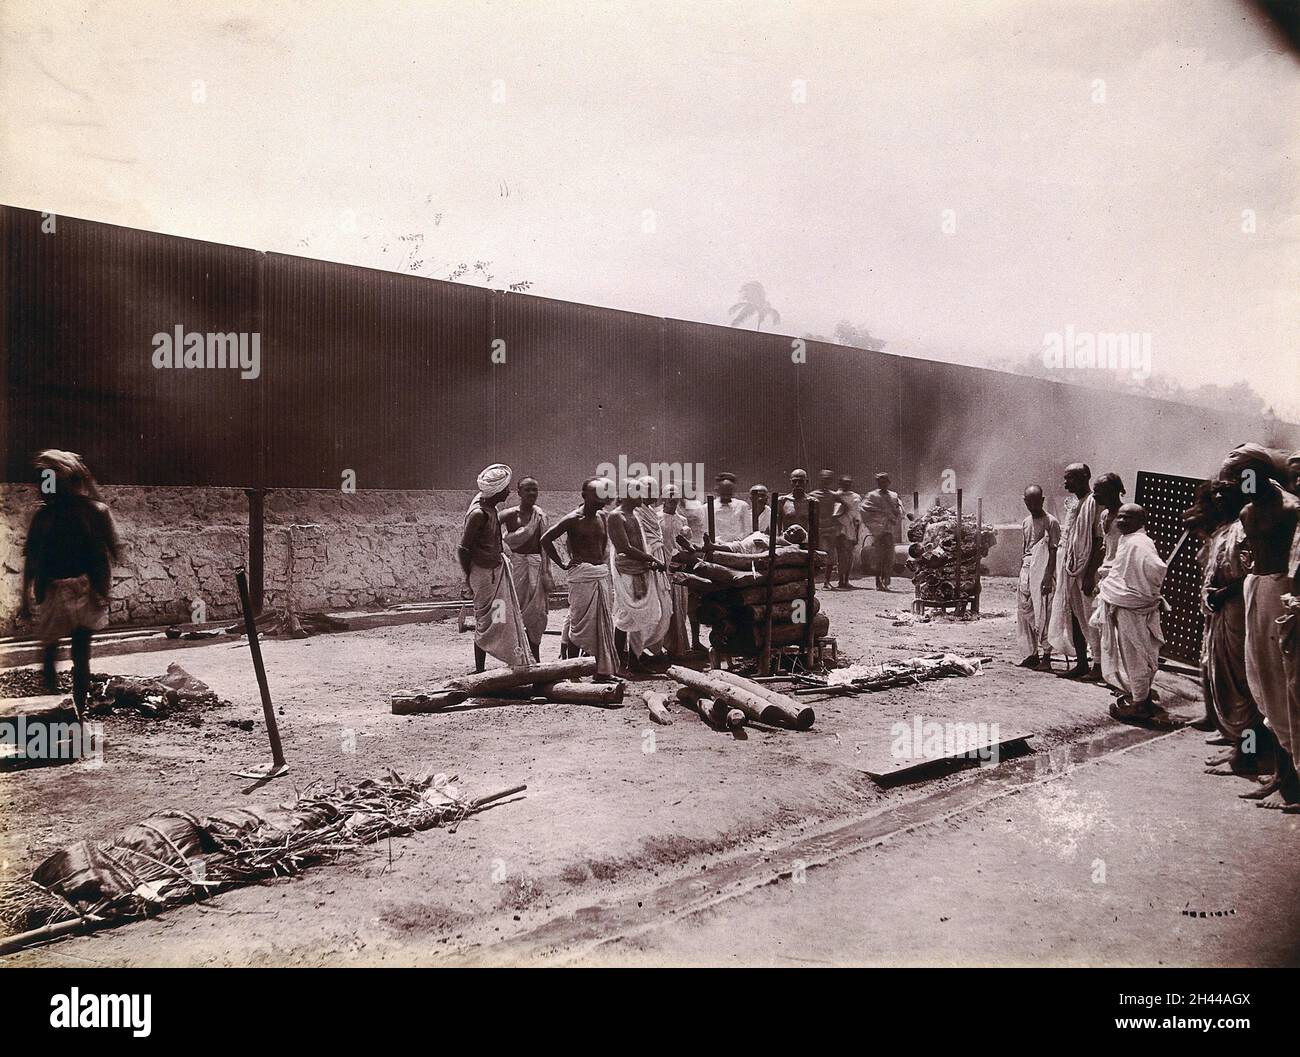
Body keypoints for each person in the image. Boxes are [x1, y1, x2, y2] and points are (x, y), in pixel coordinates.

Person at [21, 450, 120, 717]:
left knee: (78, 653)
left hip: (84, 590)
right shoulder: (45, 517)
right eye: (44, 481)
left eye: (51, 481)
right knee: (52, 650)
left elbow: (110, 551)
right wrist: (25, 596)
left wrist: (102, 590)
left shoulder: (94, 512)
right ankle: (54, 704)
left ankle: (77, 707)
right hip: (53, 589)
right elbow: (32, 559)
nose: (46, 488)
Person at [1231, 444, 1300, 809]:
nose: (1234, 483)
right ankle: (1278, 775)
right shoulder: (1245, 512)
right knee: (1260, 683)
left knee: (1282, 686)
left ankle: (1292, 783)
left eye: (1240, 475)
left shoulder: (1291, 510)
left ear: (1258, 473)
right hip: (1256, 592)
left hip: (1282, 595)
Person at [1194, 479, 1266, 774]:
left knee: (1244, 687)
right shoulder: (1224, 528)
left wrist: (1223, 594)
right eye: (1216, 493)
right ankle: (1238, 746)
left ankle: (1246, 756)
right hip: (1221, 610)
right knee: (1224, 678)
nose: (1220, 497)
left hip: (1237, 609)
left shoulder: (1245, 526)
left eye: (1227, 491)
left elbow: (1251, 573)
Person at [1090, 504, 1169, 723]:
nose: (1122, 521)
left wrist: (1142, 591)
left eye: (1128, 518)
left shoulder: (1139, 542)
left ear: (1141, 521)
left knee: (1137, 655)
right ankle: (1139, 698)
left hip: (1133, 606)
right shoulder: (1128, 540)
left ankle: (1140, 706)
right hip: (1125, 604)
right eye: (1121, 517)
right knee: (1133, 655)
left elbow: (1157, 569)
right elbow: (1121, 568)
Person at [541, 478, 619, 679]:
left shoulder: (603, 516)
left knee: (603, 623)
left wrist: (600, 565)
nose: (601, 498)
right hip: (581, 576)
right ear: (584, 495)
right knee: (579, 623)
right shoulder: (573, 519)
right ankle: (571, 672)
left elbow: (602, 545)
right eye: (596, 494)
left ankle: (602, 671)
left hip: (599, 574)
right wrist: (563, 564)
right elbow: (546, 539)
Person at [458, 464, 533, 672]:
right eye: (506, 488)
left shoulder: (491, 510)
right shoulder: (479, 514)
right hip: (484, 575)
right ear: (498, 491)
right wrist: (469, 576)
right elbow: (463, 549)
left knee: (499, 618)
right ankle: (479, 670)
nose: (509, 492)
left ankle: (503, 660)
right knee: (484, 620)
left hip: (495, 572)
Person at [1048, 462, 1105, 681]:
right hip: (1071, 569)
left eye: (1070, 478)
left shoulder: (1095, 503)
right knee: (1073, 614)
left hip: (1086, 572)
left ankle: (1099, 665)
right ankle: (1082, 663)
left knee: (1091, 617)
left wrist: (1090, 574)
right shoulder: (1074, 503)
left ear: (1085, 477)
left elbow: (1099, 541)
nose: (1065, 482)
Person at [607, 478, 671, 669]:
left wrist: (648, 562)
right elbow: (623, 547)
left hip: (640, 568)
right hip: (626, 569)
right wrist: (651, 560)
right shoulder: (616, 516)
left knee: (639, 616)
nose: (643, 497)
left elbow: (641, 544)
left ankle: (634, 660)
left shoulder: (635, 515)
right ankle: (618, 664)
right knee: (625, 614)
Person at [500, 476, 552, 662]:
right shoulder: (509, 515)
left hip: (537, 567)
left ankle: (535, 654)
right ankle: (516, 654)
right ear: (519, 492)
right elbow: (490, 529)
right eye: (528, 490)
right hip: (517, 566)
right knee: (514, 609)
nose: (532, 493)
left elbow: (545, 545)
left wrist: (548, 572)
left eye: (535, 490)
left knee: (538, 613)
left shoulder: (541, 516)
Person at [1015, 485, 1060, 669]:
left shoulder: (1051, 522)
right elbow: (1026, 549)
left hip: (1043, 571)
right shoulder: (1026, 522)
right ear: (1025, 502)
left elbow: (1053, 550)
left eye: (1036, 501)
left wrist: (1048, 576)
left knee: (1044, 612)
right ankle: (1031, 654)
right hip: (1026, 570)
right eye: (1029, 502)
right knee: (1024, 611)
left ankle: (1047, 656)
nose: (1033, 505)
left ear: (1042, 500)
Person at [658, 483, 694, 657]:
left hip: (677, 568)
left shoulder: (683, 521)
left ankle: (677, 647)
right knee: (663, 608)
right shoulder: (656, 518)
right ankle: (658, 648)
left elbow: (685, 545)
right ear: (664, 498)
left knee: (679, 607)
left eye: (675, 496)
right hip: (660, 569)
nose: (672, 499)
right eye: (669, 495)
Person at [861, 472, 910, 591]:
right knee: (879, 557)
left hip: (888, 530)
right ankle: (878, 581)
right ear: (877, 483)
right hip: (878, 532)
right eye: (880, 482)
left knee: (889, 557)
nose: (883, 484)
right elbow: (864, 508)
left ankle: (886, 580)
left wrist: (895, 516)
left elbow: (899, 510)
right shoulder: (872, 496)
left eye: (885, 481)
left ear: (888, 482)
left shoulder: (893, 495)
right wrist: (876, 520)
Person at [1092, 473, 1125, 585]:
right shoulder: (1104, 515)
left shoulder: (1125, 518)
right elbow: (1105, 548)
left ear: (1112, 492)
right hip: (1106, 572)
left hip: (1120, 575)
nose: (1094, 495)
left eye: (1099, 491)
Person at [833, 475, 863, 589]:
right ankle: (841, 580)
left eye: (849, 483)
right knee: (841, 556)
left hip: (850, 530)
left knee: (849, 556)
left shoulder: (855, 497)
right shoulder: (836, 496)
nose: (847, 485)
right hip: (839, 530)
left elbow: (857, 518)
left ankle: (846, 579)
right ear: (840, 484)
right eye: (844, 483)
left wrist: (857, 535)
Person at [711, 472, 751, 543]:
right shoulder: (709, 507)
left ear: (733, 491)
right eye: (723, 493)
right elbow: (705, 530)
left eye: (729, 493)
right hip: (715, 545)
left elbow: (748, 529)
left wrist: (739, 540)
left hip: (738, 546)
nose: (726, 496)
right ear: (718, 490)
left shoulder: (742, 506)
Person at [779, 469, 812, 534]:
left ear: (806, 482)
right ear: (790, 482)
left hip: (806, 540)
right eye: (794, 481)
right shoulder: (782, 501)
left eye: (800, 481)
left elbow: (815, 527)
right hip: (787, 540)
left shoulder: (812, 502)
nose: (797, 484)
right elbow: (777, 526)